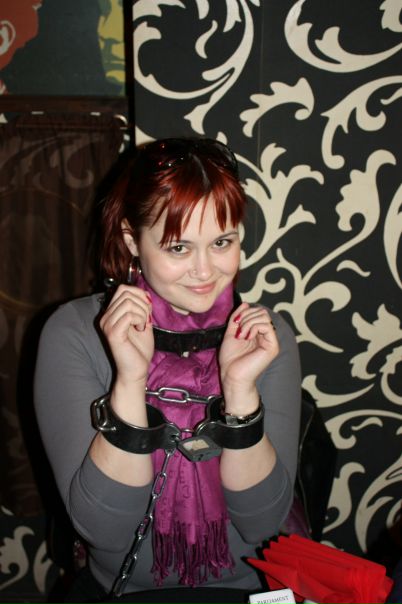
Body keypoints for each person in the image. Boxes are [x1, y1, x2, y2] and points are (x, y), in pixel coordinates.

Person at [34, 137, 301, 601]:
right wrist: (130, 381)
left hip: (248, 588)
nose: (205, 271)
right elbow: (103, 530)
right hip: (125, 591)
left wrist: (240, 389)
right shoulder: (75, 333)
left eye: (222, 242)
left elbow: (262, 523)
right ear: (131, 240)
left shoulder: (262, 336)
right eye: (179, 248)